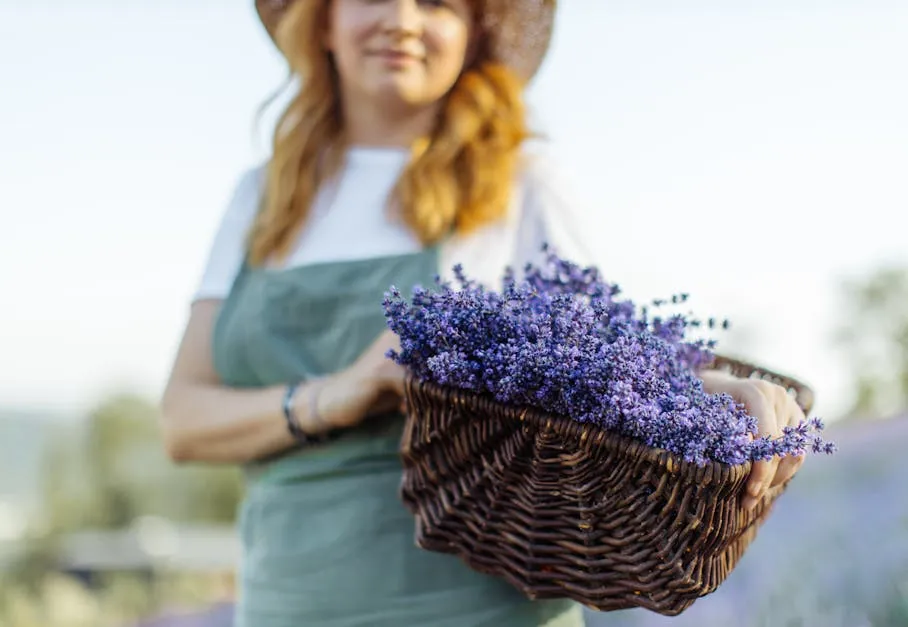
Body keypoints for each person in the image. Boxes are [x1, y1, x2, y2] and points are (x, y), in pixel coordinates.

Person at [160, 0, 807, 625]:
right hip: (289, 605)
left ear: (475, 30)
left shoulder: (517, 183)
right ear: (322, 18)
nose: (402, 20)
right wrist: (339, 393)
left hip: (474, 607)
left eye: (438, 2)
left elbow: (606, 361)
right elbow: (183, 419)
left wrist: (715, 391)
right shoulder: (262, 198)